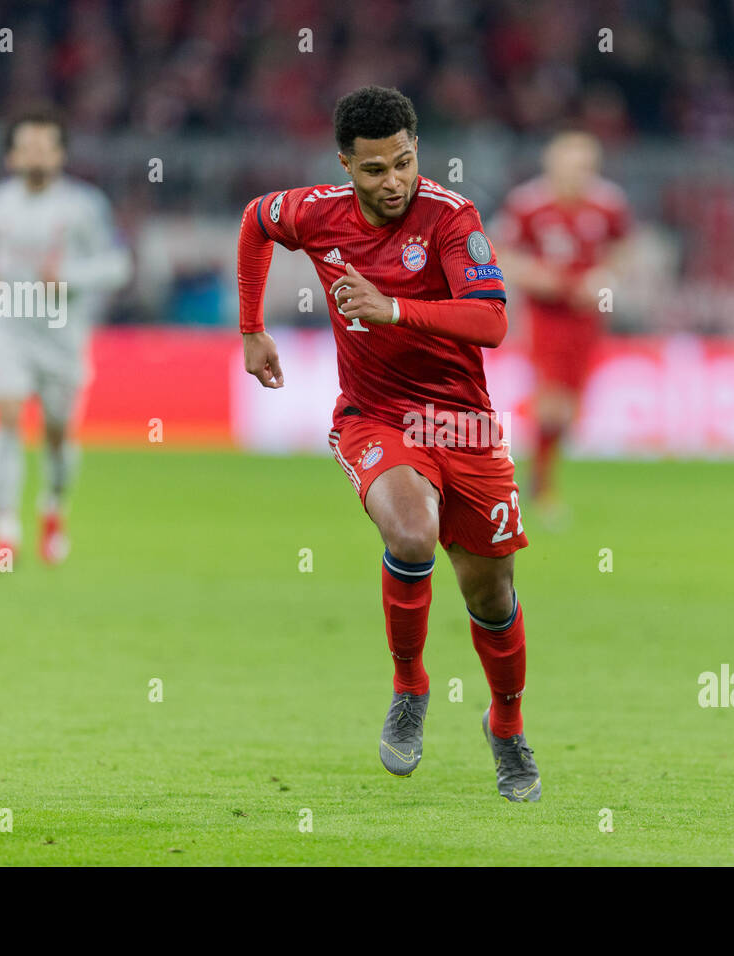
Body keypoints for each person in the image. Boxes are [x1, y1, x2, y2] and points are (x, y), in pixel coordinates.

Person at [236, 86, 540, 802]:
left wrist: (392, 308)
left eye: (403, 163)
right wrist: (251, 328)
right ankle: (410, 687)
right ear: (346, 164)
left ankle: (507, 724)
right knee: (409, 533)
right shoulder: (315, 213)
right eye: (374, 170)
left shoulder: (450, 216)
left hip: (465, 425)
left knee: (492, 596)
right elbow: (256, 222)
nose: (393, 181)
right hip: (376, 416)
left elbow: (493, 323)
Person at [0, 107, 131, 568]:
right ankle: (4, 531)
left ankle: (53, 507)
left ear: (61, 154)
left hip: (62, 334)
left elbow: (117, 266)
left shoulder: (84, 206)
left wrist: (69, 276)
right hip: (7, 325)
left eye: (45, 145)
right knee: (7, 416)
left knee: (56, 433)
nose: (35, 153)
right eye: (26, 145)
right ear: (10, 156)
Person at [495, 131, 633, 521]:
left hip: (586, 314)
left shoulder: (608, 204)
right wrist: (536, 275)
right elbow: (500, 253)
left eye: (586, 167)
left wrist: (604, 278)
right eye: (572, 166)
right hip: (544, 314)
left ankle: (538, 477)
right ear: (552, 165)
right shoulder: (528, 204)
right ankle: (537, 487)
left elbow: (623, 250)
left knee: (570, 408)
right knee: (550, 401)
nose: (578, 175)